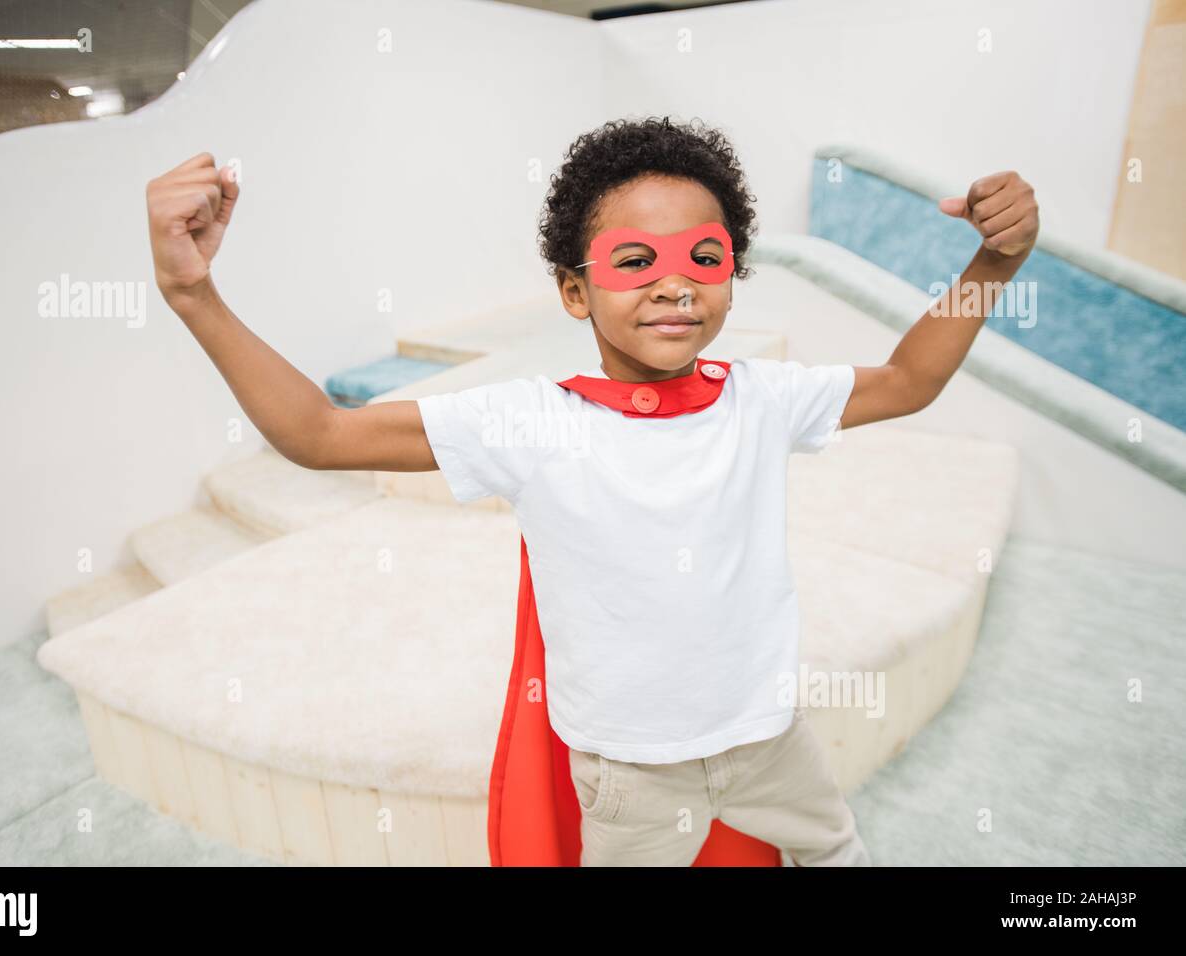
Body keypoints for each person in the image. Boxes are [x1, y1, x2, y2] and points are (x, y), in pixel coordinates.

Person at [144, 115, 1039, 867]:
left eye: (705, 255)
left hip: (770, 739)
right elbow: (319, 434)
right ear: (576, 292)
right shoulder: (532, 423)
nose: (675, 282)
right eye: (635, 260)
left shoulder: (767, 399)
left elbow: (911, 378)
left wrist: (993, 265)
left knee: (840, 855)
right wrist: (195, 296)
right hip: (628, 774)